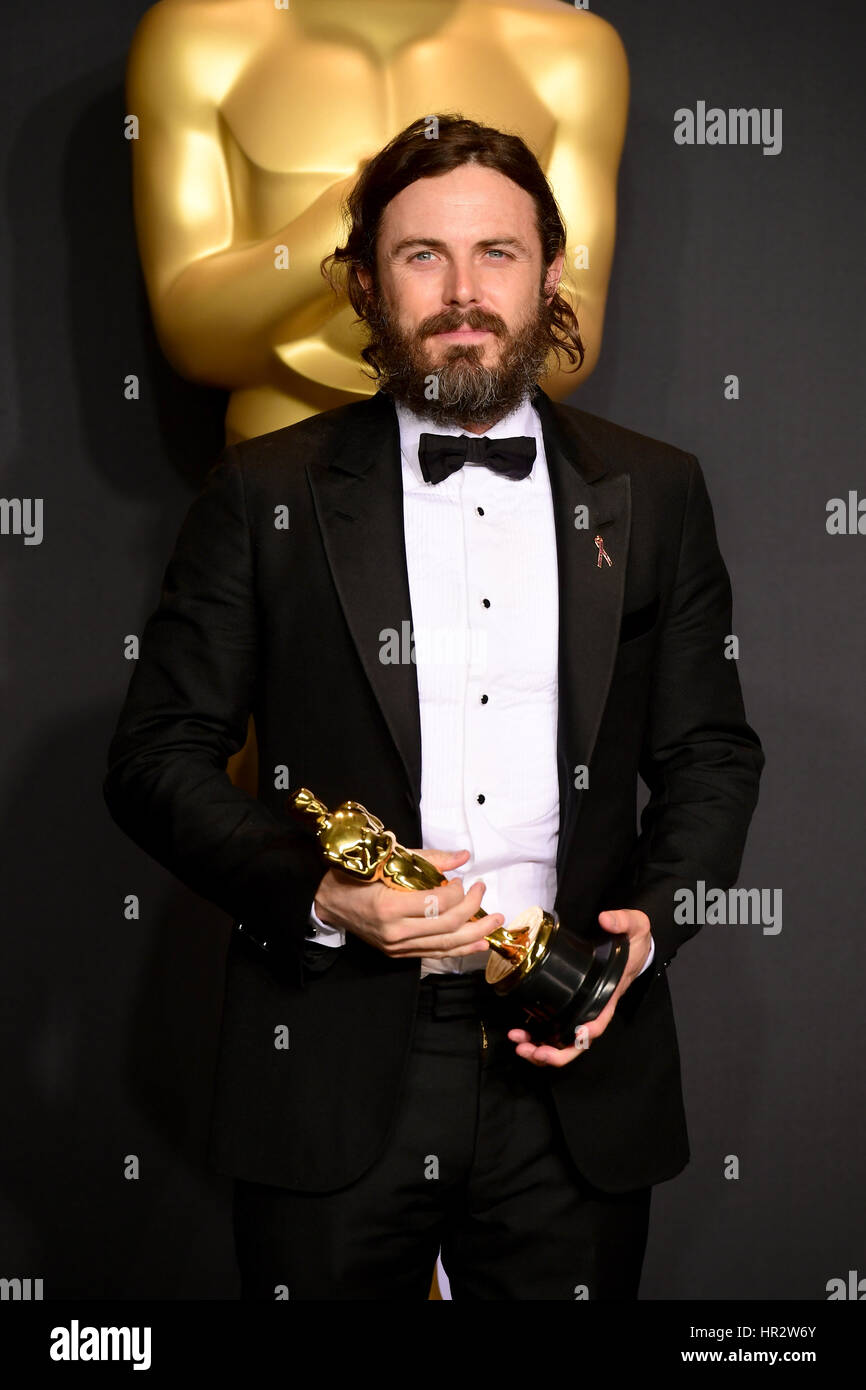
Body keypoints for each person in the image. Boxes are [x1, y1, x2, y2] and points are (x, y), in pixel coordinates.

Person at [103, 115, 764, 1301]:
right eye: (421, 257)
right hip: (333, 1053)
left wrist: (647, 934)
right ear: (364, 280)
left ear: (551, 272)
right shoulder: (264, 492)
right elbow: (156, 755)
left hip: (573, 1056)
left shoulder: (654, 490)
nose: (463, 293)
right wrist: (314, 893)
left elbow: (708, 748)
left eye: (496, 254)